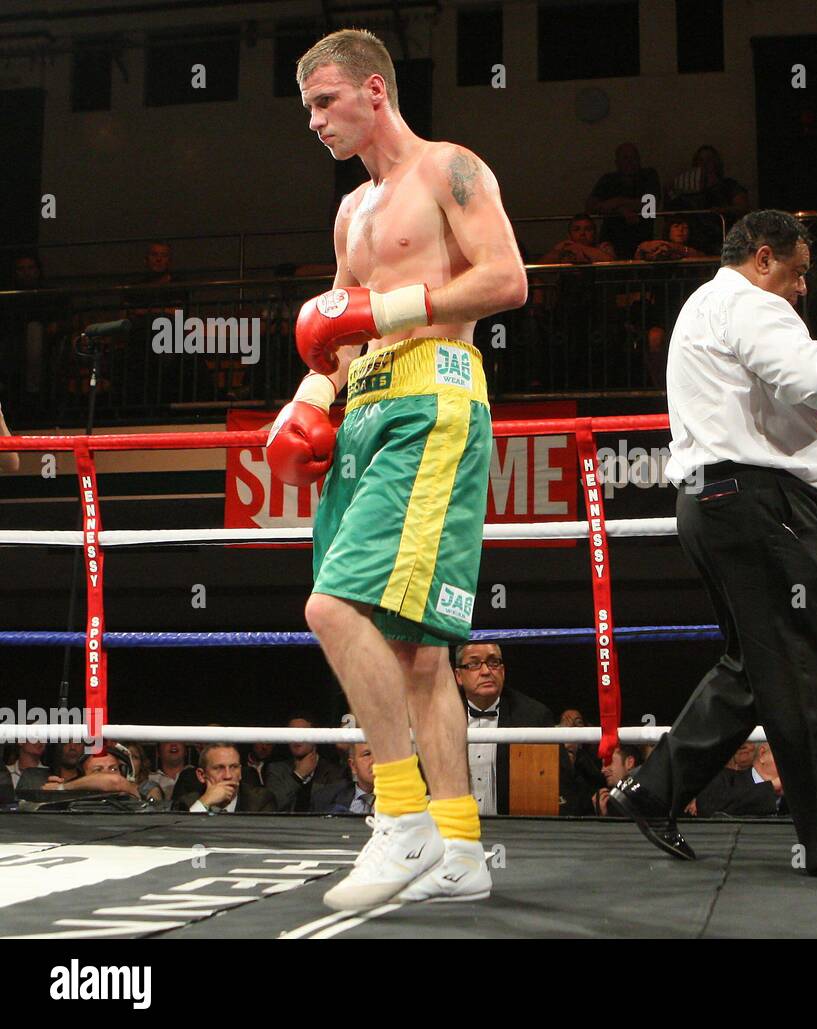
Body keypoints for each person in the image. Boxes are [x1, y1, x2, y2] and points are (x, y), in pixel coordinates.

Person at [271, 28, 527, 910]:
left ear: (375, 90)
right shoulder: (351, 212)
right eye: (307, 107)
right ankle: (459, 848)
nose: (314, 122)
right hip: (365, 409)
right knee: (419, 653)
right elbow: (339, 335)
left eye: (325, 102)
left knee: (331, 605)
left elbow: (506, 279)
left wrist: (389, 304)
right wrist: (305, 401)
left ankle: (403, 813)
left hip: (434, 397)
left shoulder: (452, 168)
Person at [608, 209, 817, 881]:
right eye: (799, 273)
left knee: (757, 668)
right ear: (765, 256)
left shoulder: (707, 306)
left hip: (718, 501)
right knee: (807, 672)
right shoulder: (751, 302)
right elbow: (815, 380)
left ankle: (652, 788)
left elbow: (752, 412)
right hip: (756, 505)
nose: (802, 289)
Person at [454, 641, 556, 815]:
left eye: (493, 662)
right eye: (474, 664)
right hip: (453, 830)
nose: (486, 671)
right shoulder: (439, 717)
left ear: (503, 670)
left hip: (513, 832)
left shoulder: (533, 717)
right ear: (458, 676)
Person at [586, 142, 661, 259]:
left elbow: (650, 205)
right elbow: (591, 207)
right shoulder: (608, 180)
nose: (630, 161)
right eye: (625, 158)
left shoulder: (648, 176)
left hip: (642, 240)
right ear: (617, 162)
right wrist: (621, 210)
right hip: (611, 242)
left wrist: (617, 202)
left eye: (633, 157)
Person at [173, 743, 277, 813]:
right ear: (201, 775)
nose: (228, 776)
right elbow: (177, 839)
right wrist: (204, 803)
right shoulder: (186, 803)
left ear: (240, 772)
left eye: (234, 767)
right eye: (219, 768)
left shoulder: (261, 801)